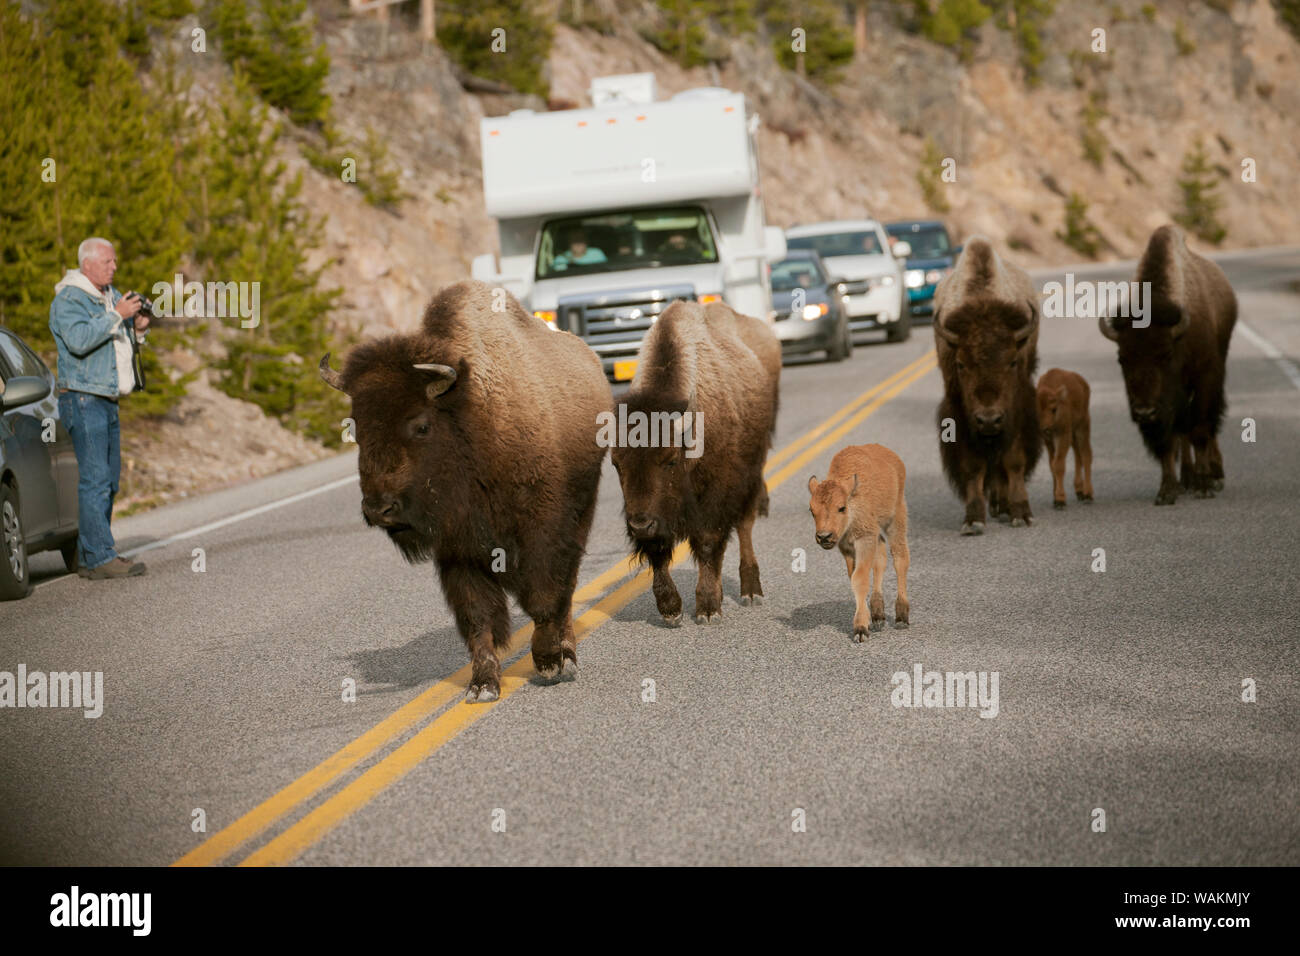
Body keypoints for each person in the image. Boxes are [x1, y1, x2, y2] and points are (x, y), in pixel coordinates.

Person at [48, 237, 150, 580]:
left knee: (110, 480)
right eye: (108, 261)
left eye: (114, 261)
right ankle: (101, 557)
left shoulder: (108, 295)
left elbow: (116, 344)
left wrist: (136, 328)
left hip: (105, 397)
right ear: (87, 264)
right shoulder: (69, 299)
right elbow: (78, 342)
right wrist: (116, 314)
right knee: (96, 480)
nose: (114, 266)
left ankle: (89, 555)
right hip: (83, 397)